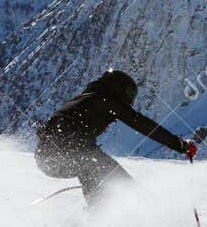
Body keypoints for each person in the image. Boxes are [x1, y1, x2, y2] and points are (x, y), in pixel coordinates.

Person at [34, 69, 196, 203]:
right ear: (120, 89)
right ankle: (140, 217)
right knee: (118, 180)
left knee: (93, 169)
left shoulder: (89, 97)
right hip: (70, 153)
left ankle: (97, 220)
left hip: (46, 158)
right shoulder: (107, 100)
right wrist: (179, 144)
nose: (130, 100)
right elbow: (142, 124)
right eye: (130, 94)